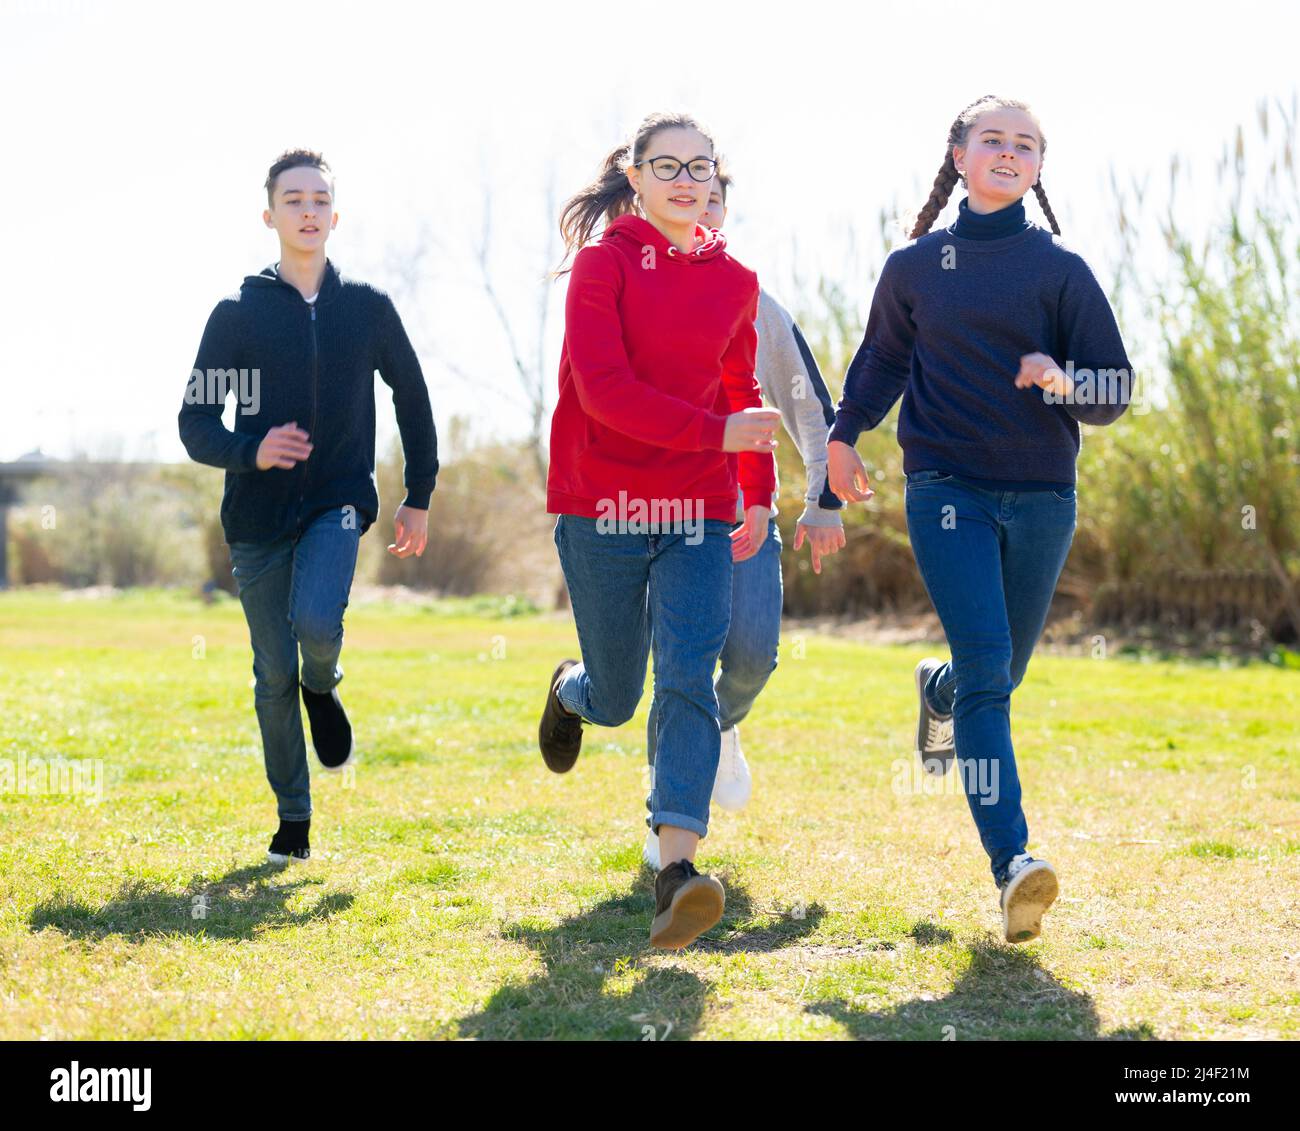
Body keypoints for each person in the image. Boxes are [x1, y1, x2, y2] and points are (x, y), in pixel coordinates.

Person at [827, 96, 1134, 943]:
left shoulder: (1061, 271)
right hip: (946, 487)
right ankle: (1014, 863)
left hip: (1042, 494)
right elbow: (882, 358)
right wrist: (845, 436)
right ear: (958, 155)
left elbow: (1117, 387)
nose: (1008, 151)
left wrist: (1064, 380)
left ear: (1039, 167)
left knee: (996, 674)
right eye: (991, 139)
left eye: (1025, 144)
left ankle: (939, 690)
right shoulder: (916, 267)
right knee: (993, 675)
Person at [537, 112, 780, 949]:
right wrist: (720, 437)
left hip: (698, 508)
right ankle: (572, 690)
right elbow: (603, 389)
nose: (686, 179)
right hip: (599, 501)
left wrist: (754, 487)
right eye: (666, 165)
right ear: (633, 176)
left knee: (688, 674)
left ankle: (676, 869)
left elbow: (739, 386)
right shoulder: (603, 265)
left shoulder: (736, 277)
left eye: (701, 166)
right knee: (618, 694)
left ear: (717, 178)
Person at [179, 149, 438, 864]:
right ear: (270, 215)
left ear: (335, 215)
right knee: (270, 672)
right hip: (257, 520)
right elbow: (195, 423)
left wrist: (420, 494)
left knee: (317, 624)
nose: (308, 210)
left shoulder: (367, 309)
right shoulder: (238, 314)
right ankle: (294, 816)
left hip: (337, 501)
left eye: (320, 199)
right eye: (293, 199)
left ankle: (323, 686)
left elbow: (411, 398)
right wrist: (251, 450)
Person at [641, 165, 846, 869]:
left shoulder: (755, 303)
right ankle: (668, 810)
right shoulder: (625, 289)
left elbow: (810, 409)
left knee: (755, 652)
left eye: (714, 199)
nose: (701, 207)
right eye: (685, 192)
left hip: (740, 511)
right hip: (658, 514)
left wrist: (825, 496)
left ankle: (721, 728)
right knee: (679, 663)